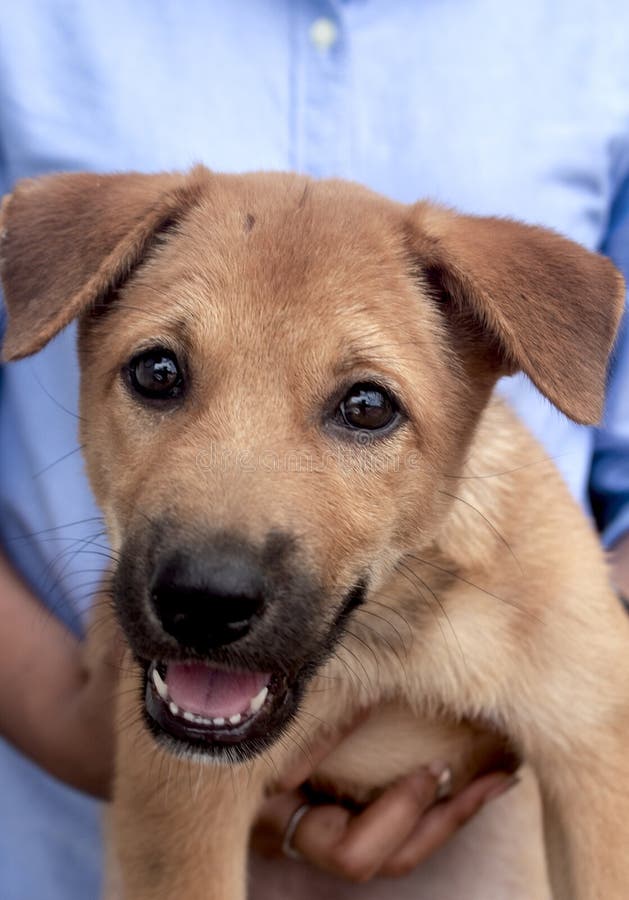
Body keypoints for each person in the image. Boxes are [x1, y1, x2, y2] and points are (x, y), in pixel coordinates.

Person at [1, 2, 628, 898]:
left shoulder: (600, 32)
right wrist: (64, 720)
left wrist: (586, 629)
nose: (214, 569)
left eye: (363, 407)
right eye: (160, 375)